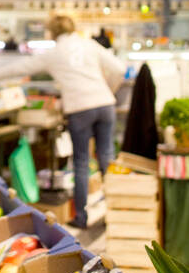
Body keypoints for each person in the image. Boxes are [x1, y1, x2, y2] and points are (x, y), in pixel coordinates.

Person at [44, 13, 127, 230]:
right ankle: (116, 213)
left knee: (81, 162)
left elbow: (23, 67)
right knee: (107, 158)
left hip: (79, 109)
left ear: (53, 31)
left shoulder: (54, 52)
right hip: (105, 103)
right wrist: (109, 89)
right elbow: (119, 68)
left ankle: (81, 218)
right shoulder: (88, 44)